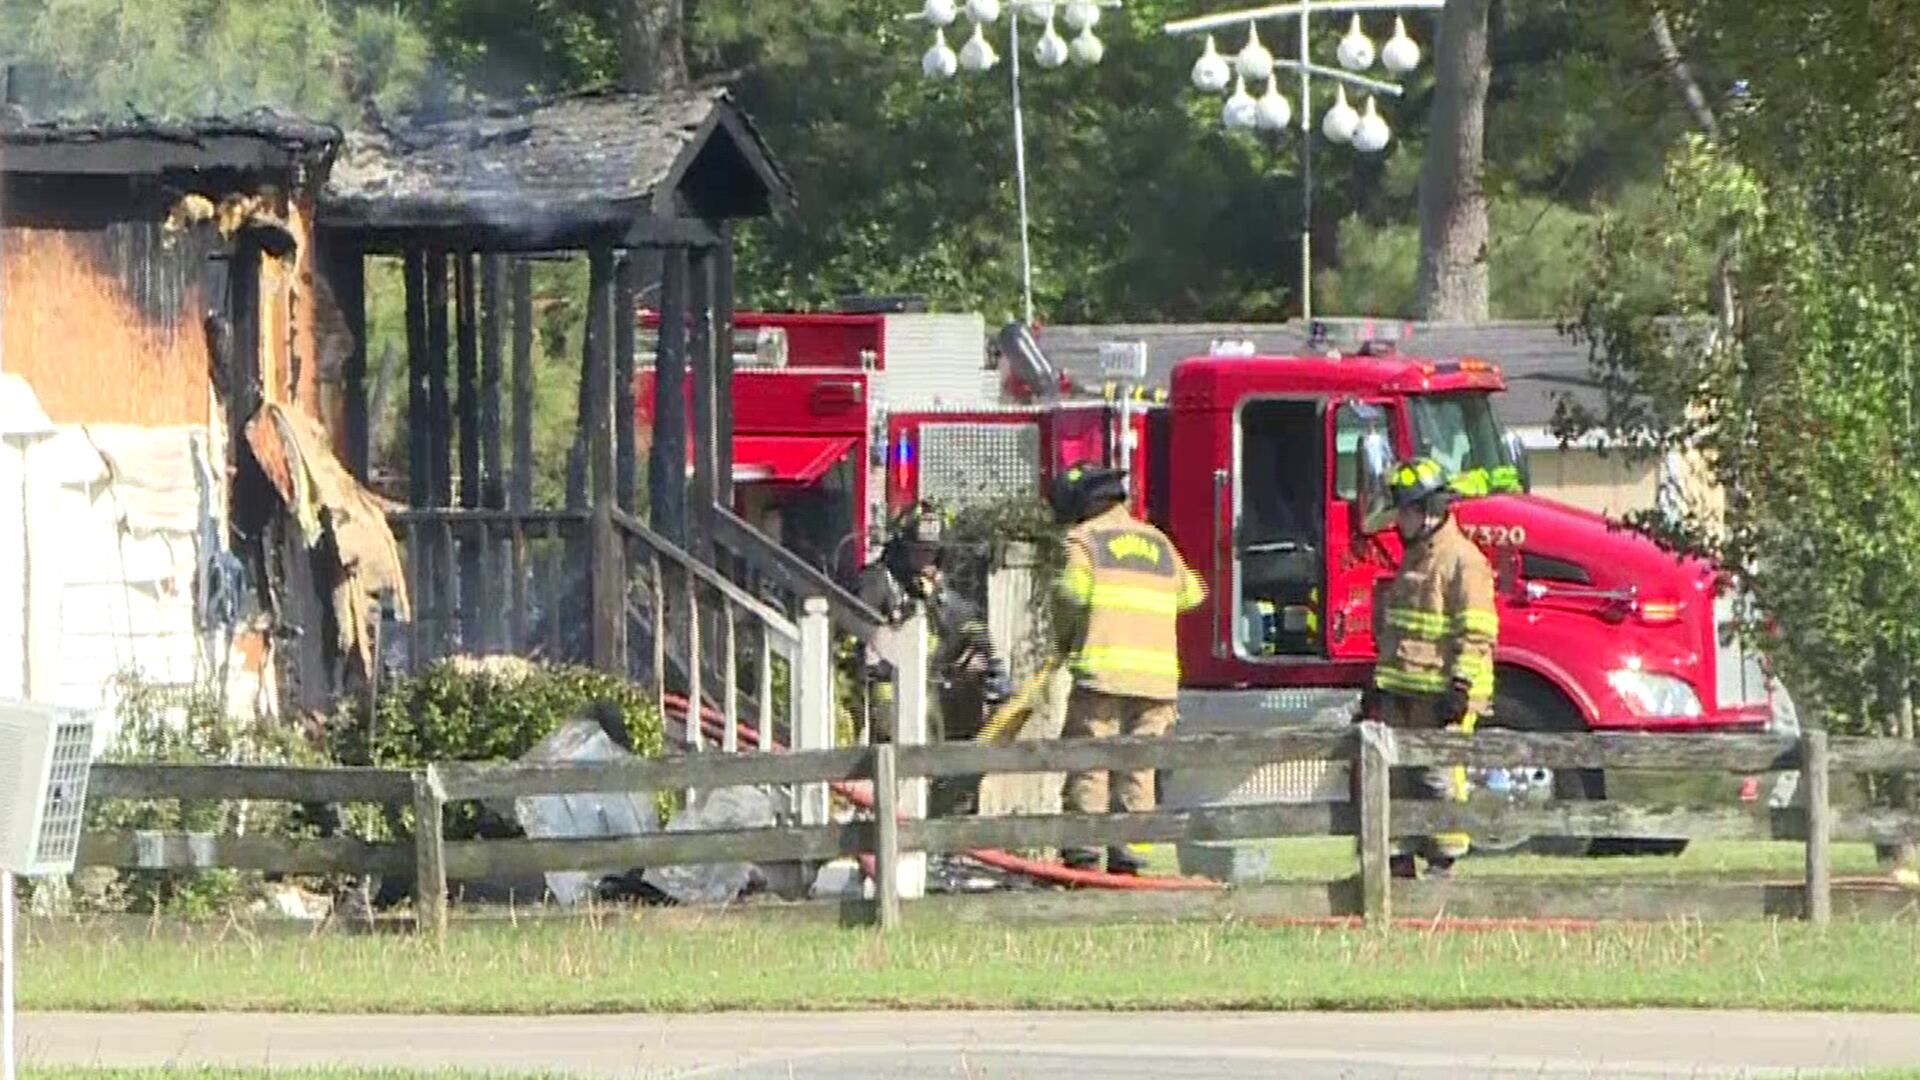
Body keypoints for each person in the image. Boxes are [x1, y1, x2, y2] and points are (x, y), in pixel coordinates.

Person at [1051, 462, 1205, 874]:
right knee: (1140, 764)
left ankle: (1083, 856)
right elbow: (1192, 594)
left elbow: (1070, 594)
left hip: (1102, 673)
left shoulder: (1084, 540)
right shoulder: (1158, 542)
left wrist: (1064, 639)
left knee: (1089, 758)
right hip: (1157, 680)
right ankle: (1130, 857)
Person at [1363, 456, 1499, 880]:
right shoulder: (1415, 557)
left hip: (1443, 695)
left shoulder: (1462, 561)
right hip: (1403, 691)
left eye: (1406, 511)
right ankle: (1399, 865)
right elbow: (1400, 631)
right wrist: (1379, 683)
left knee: (1438, 780)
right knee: (1397, 781)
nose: (1399, 521)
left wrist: (1459, 686)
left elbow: (1476, 629)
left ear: (1430, 511)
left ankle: (1444, 865)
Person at [853, 503, 1009, 813]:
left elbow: (967, 623)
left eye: (932, 552)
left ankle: (947, 819)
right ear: (902, 550)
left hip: (939, 692)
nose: (926, 560)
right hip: (889, 688)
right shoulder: (877, 581)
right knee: (901, 762)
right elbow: (860, 631)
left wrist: (992, 667)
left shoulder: (941, 591)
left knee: (958, 760)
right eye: (918, 552)